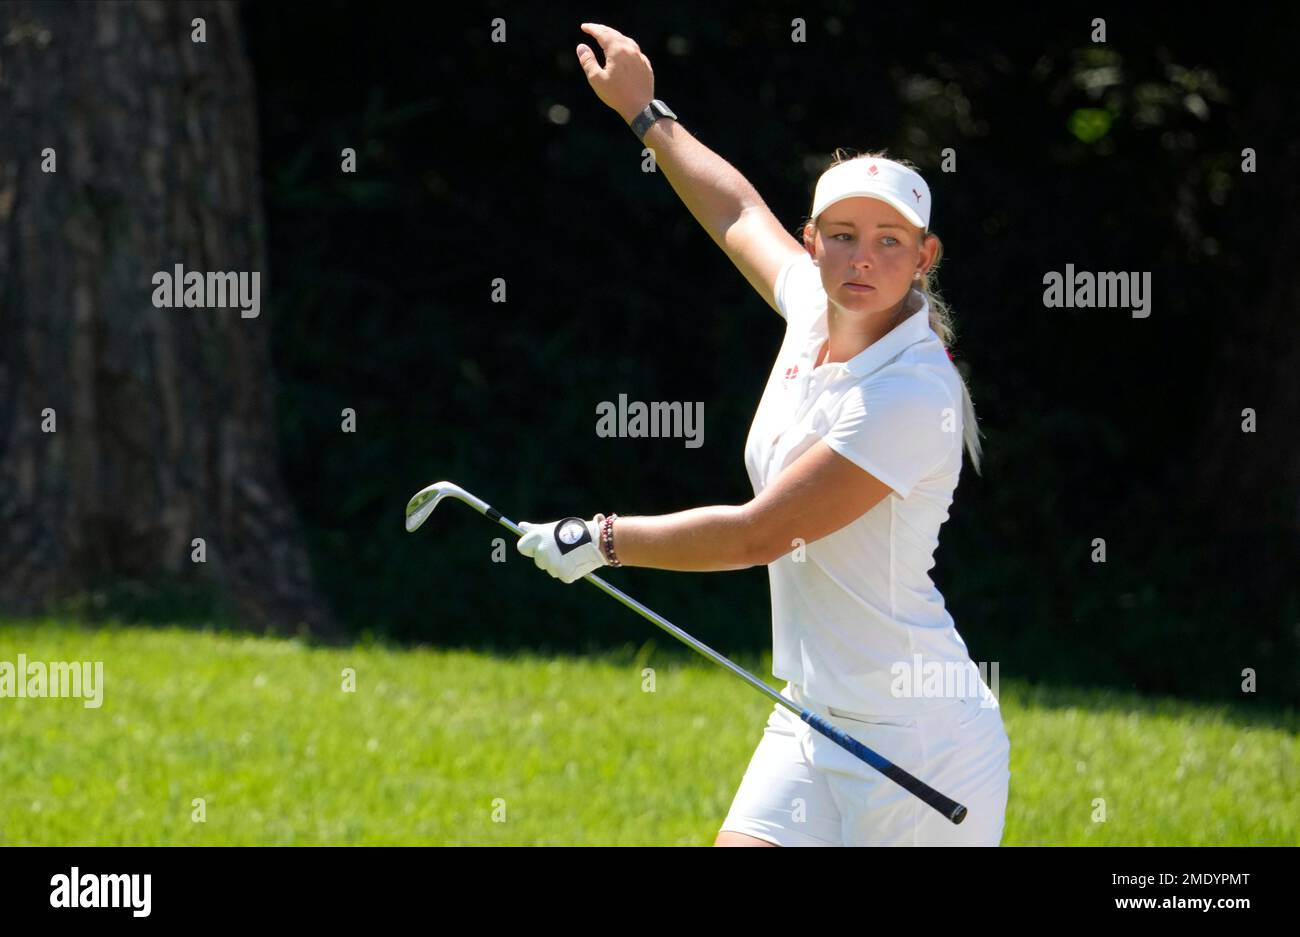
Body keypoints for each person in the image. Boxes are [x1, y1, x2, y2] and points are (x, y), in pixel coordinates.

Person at [515, 22, 1009, 847]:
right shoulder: (815, 305)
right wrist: (645, 115)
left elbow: (760, 534)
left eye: (889, 241)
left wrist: (602, 537)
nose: (862, 257)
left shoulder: (914, 394)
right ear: (813, 242)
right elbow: (737, 209)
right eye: (842, 235)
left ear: (924, 257)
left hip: (921, 746)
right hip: (812, 717)